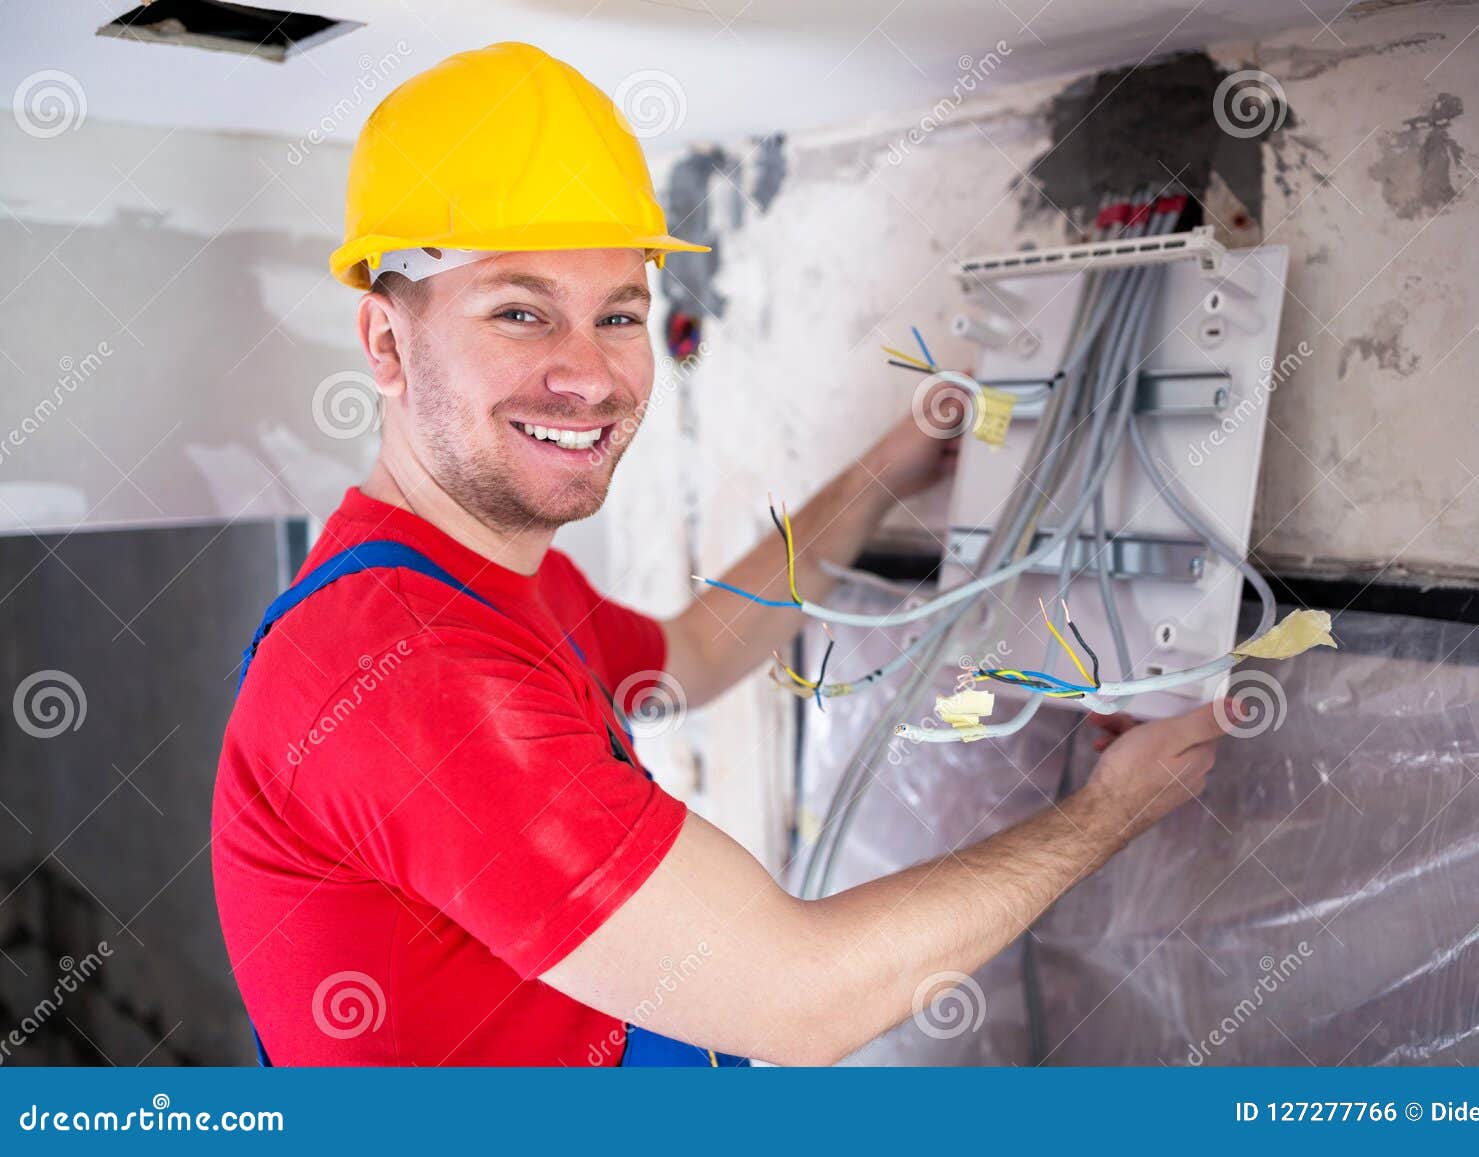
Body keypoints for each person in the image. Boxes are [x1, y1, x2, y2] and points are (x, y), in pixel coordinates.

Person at [211, 41, 1227, 1067]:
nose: (589, 375)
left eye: (618, 315)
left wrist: (887, 470)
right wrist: (1116, 806)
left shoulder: (482, 582)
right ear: (385, 344)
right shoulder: (405, 667)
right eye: (519, 312)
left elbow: (692, 653)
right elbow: (798, 998)